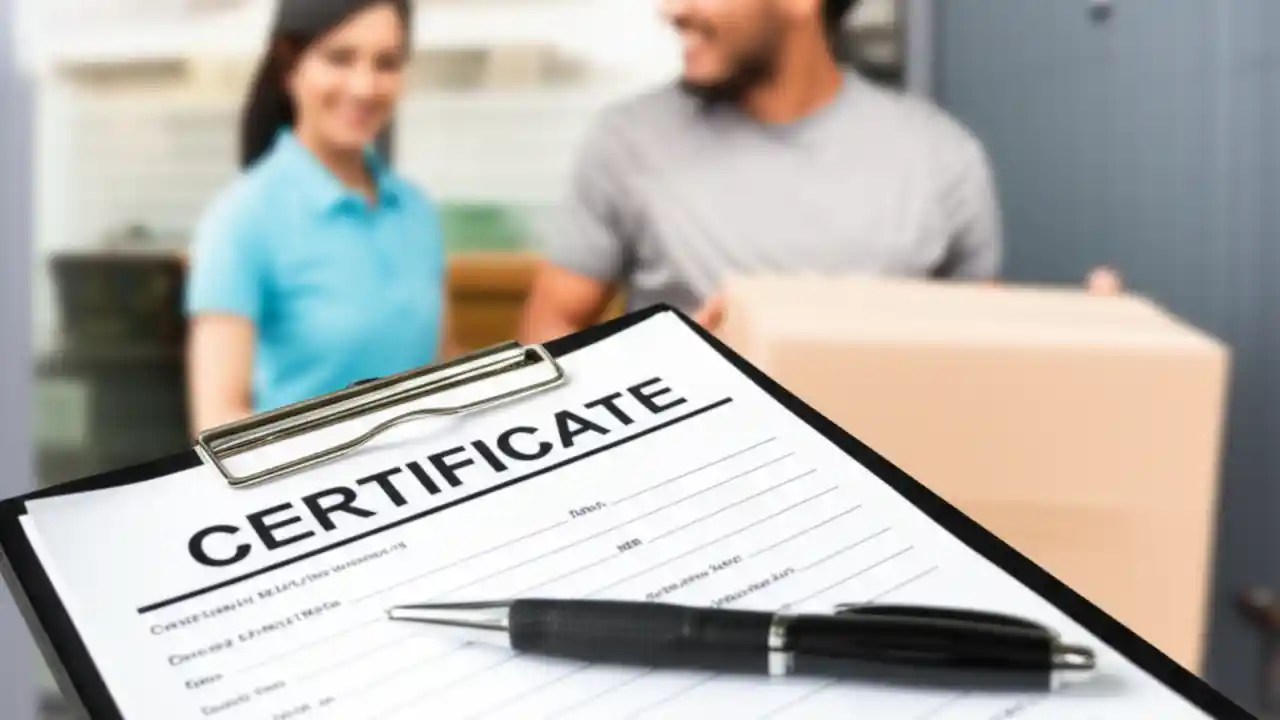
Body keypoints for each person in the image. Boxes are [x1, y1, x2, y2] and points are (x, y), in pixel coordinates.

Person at [518, 0, 1002, 343]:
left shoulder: (942, 156)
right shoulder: (627, 142)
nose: (671, 9)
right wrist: (666, 365)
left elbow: (986, 352)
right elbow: (549, 329)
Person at [185, 0, 458, 434]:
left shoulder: (416, 211)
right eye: (339, 58)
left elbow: (444, 369)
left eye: (386, 63)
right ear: (290, 66)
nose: (365, 86)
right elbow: (218, 423)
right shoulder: (241, 220)